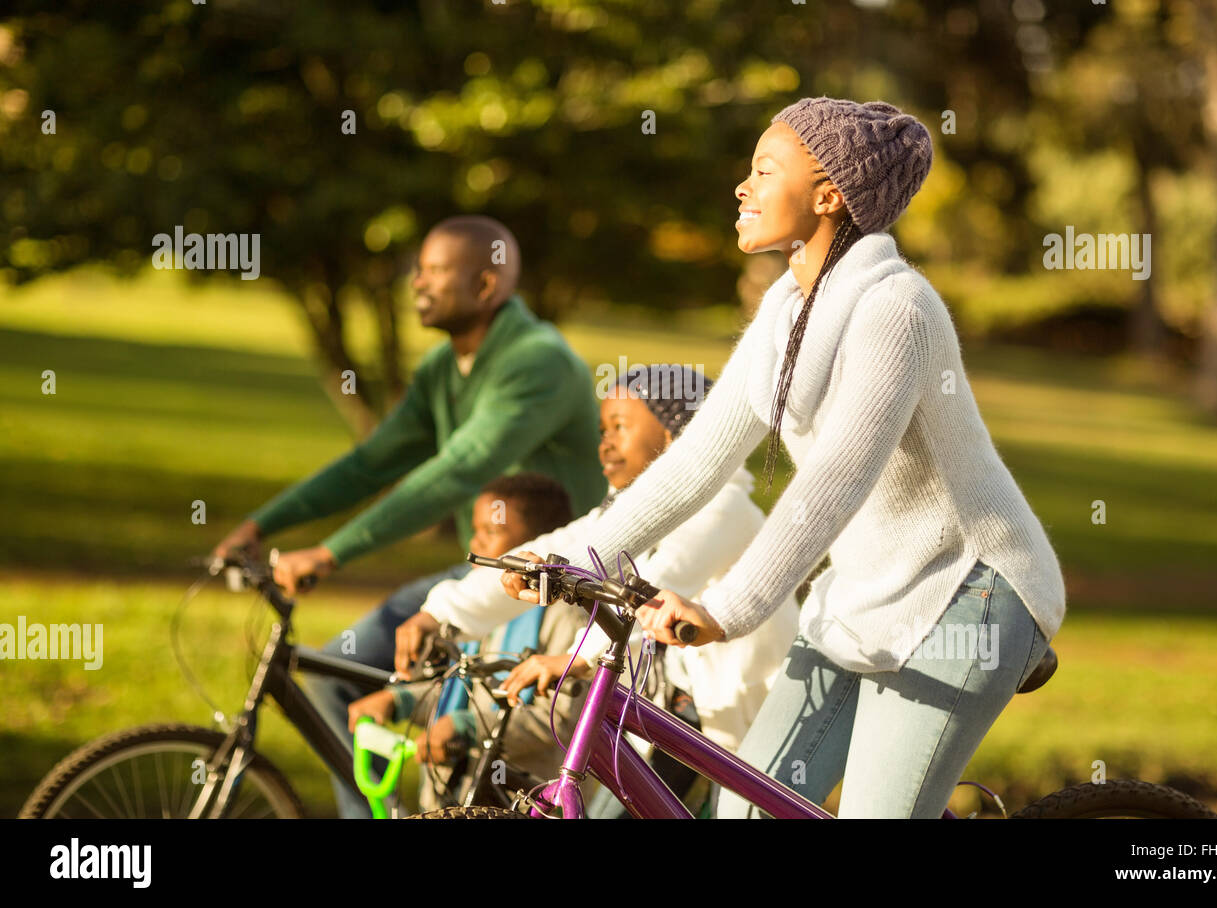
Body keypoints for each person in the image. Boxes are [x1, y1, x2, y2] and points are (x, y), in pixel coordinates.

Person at [501, 98, 1068, 819]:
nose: (742, 186)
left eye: (764, 169)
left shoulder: (897, 309)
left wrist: (725, 609)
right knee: (745, 809)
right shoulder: (782, 312)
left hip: (971, 592)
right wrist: (567, 557)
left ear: (829, 194)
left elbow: (836, 480)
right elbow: (693, 463)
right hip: (867, 594)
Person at [210, 215, 606, 818]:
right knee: (336, 673)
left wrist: (330, 553)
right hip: (486, 567)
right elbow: (372, 463)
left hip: (551, 586)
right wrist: (262, 524)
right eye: (417, 268)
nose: (417, 282)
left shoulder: (537, 361)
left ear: (485, 285)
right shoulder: (444, 370)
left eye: (437, 270)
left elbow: (458, 469)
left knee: (479, 715)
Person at [400, 366, 798, 814]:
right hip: (659, 721)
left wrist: (577, 658)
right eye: (602, 429)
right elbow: (555, 548)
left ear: (677, 437)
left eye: (621, 427)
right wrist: (441, 614)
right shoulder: (624, 511)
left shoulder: (723, 506)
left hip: (728, 722)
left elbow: (662, 580)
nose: (604, 442)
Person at [345, 474, 594, 811]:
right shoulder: (475, 612)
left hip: (525, 800)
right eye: (475, 531)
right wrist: (399, 700)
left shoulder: (565, 618)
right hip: (456, 795)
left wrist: (466, 728)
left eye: (492, 533)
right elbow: (459, 684)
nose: (477, 545)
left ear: (538, 545)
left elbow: (560, 722)